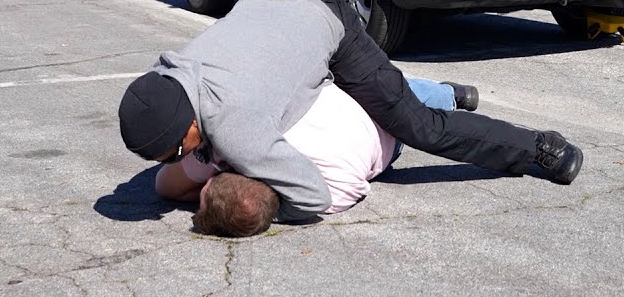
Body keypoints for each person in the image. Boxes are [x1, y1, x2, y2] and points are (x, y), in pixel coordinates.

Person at [118, 0, 583, 223]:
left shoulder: (236, 128)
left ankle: (538, 147)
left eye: (180, 151)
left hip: (327, 23)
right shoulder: (174, 69)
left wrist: (242, 193)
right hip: (272, 8)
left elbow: (314, 196)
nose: (186, 159)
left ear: (188, 129)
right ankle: (445, 91)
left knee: (419, 127)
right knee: (368, 98)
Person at [157, 77, 463, 236]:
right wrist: (207, 167)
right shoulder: (234, 140)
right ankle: (447, 94)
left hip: (382, 135)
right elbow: (165, 184)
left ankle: (447, 96)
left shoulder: (326, 194)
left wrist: (264, 210)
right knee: (397, 90)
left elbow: (168, 189)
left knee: (410, 105)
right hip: (356, 101)